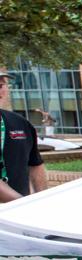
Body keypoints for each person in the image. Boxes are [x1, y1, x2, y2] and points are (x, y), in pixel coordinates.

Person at [0, 69, 47, 203]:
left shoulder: (20, 123)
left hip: (18, 210)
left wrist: (44, 201)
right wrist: (24, 203)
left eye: (1, 85)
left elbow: (35, 165)